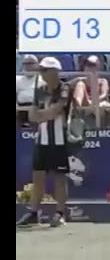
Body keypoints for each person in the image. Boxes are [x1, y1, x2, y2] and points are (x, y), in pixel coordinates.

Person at [17, 57, 74, 228]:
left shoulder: (65, 88)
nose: (41, 73)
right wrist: (45, 114)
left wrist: (42, 114)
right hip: (41, 139)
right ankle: (34, 213)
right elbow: (32, 116)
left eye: (44, 70)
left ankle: (60, 213)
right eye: (41, 70)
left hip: (59, 140)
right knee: (38, 176)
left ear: (55, 71)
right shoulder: (39, 90)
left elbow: (56, 110)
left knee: (59, 177)